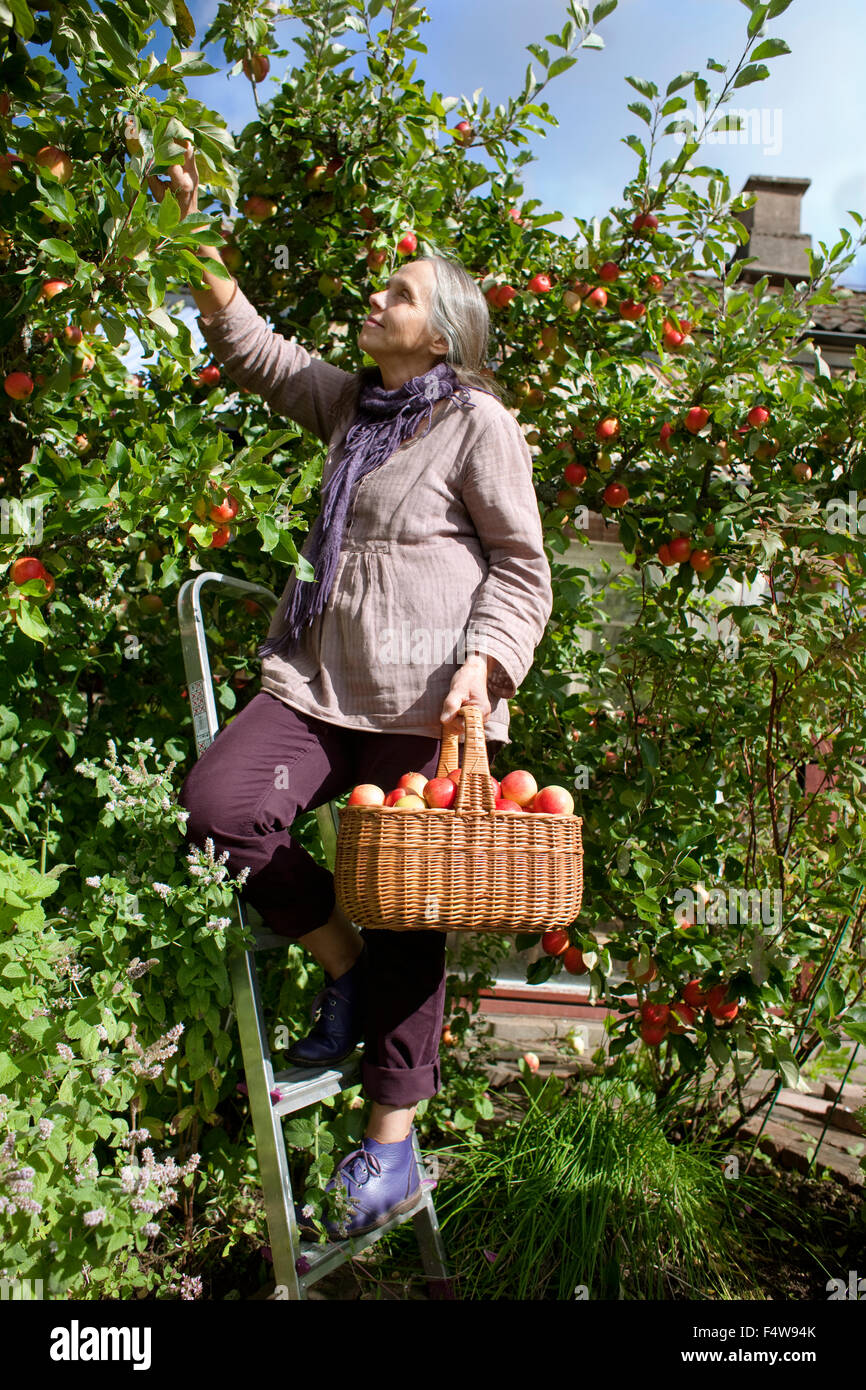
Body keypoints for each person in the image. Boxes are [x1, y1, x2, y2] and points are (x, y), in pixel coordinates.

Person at [147, 143, 553, 1240]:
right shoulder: (354, 411)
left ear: (446, 332)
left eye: (399, 293)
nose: (376, 301)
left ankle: (387, 1147)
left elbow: (521, 567)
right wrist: (188, 234)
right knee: (222, 806)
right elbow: (255, 350)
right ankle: (339, 959)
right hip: (320, 685)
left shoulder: (476, 421)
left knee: (416, 912)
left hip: (429, 704)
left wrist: (484, 662)